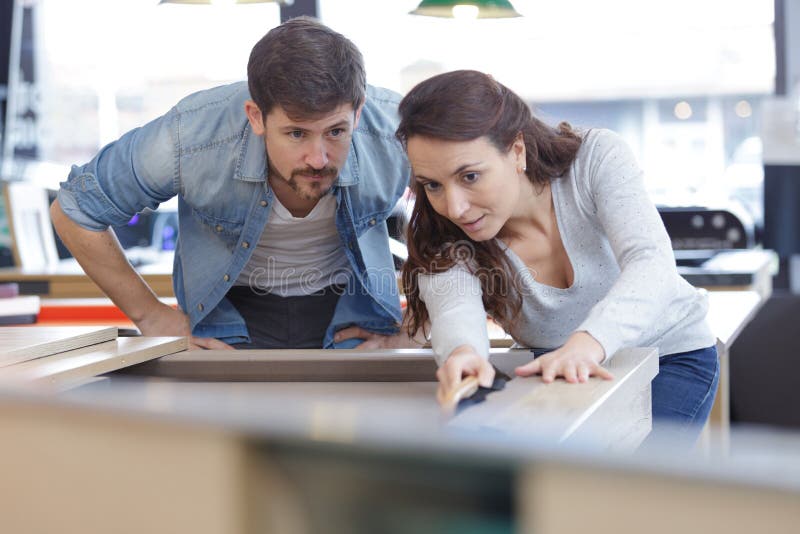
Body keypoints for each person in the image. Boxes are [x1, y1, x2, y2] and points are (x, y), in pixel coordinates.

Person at [50, 17, 419, 351]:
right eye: (296, 133)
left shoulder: (395, 130)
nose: (318, 158)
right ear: (256, 117)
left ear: (357, 112)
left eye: (336, 131)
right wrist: (151, 316)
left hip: (353, 321)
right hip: (226, 324)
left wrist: (422, 327)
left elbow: (466, 208)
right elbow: (75, 209)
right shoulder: (193, 134)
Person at [396, 70, 719, 441]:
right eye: (432, 185)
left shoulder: (595, 158)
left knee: (631, 491)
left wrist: (587, 343)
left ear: (516, 150)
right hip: (562, 373)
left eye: (469, 176)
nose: (453, 207)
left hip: (671, 356)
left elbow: (651, 261)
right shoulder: (441, 233)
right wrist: (463, 353)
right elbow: (455, 308)